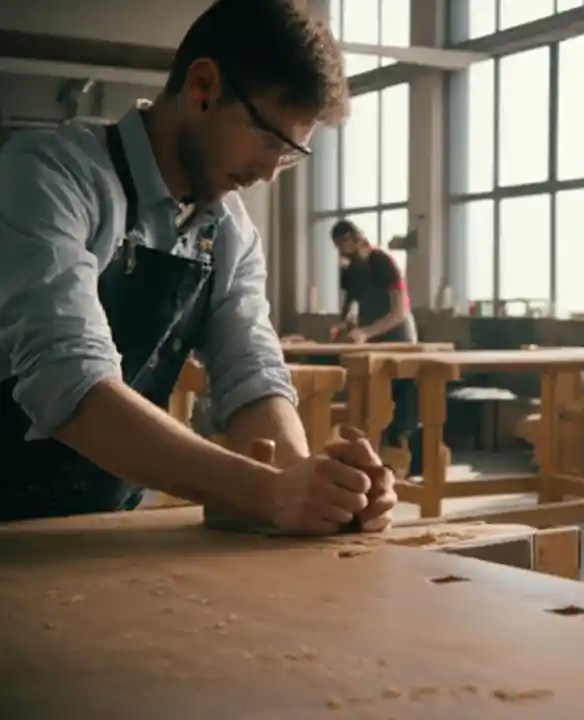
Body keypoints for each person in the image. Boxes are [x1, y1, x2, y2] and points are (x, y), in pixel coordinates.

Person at [0, 0, 396, 533]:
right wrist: (265, 490)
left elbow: (251, 375)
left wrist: (316, 487)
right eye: (269, 140)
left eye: (290, 155)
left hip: (100, 528)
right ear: (204, 88)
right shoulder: (49, 175)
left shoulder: (229, 231)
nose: (269, 174)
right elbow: (70, 382)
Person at [330, 219, 420, 456]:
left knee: (400, 401)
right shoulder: (349, 269)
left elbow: (399, 311)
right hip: (370, 341)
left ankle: (399, 452)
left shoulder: (382, 262)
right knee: (368, 400)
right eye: (337, 245)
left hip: (397, 335)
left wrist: (366, 332)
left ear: (356, 237)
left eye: (344, 243)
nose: (341, 250)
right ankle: (367, 450)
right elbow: (350, 307)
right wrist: (344, 325)